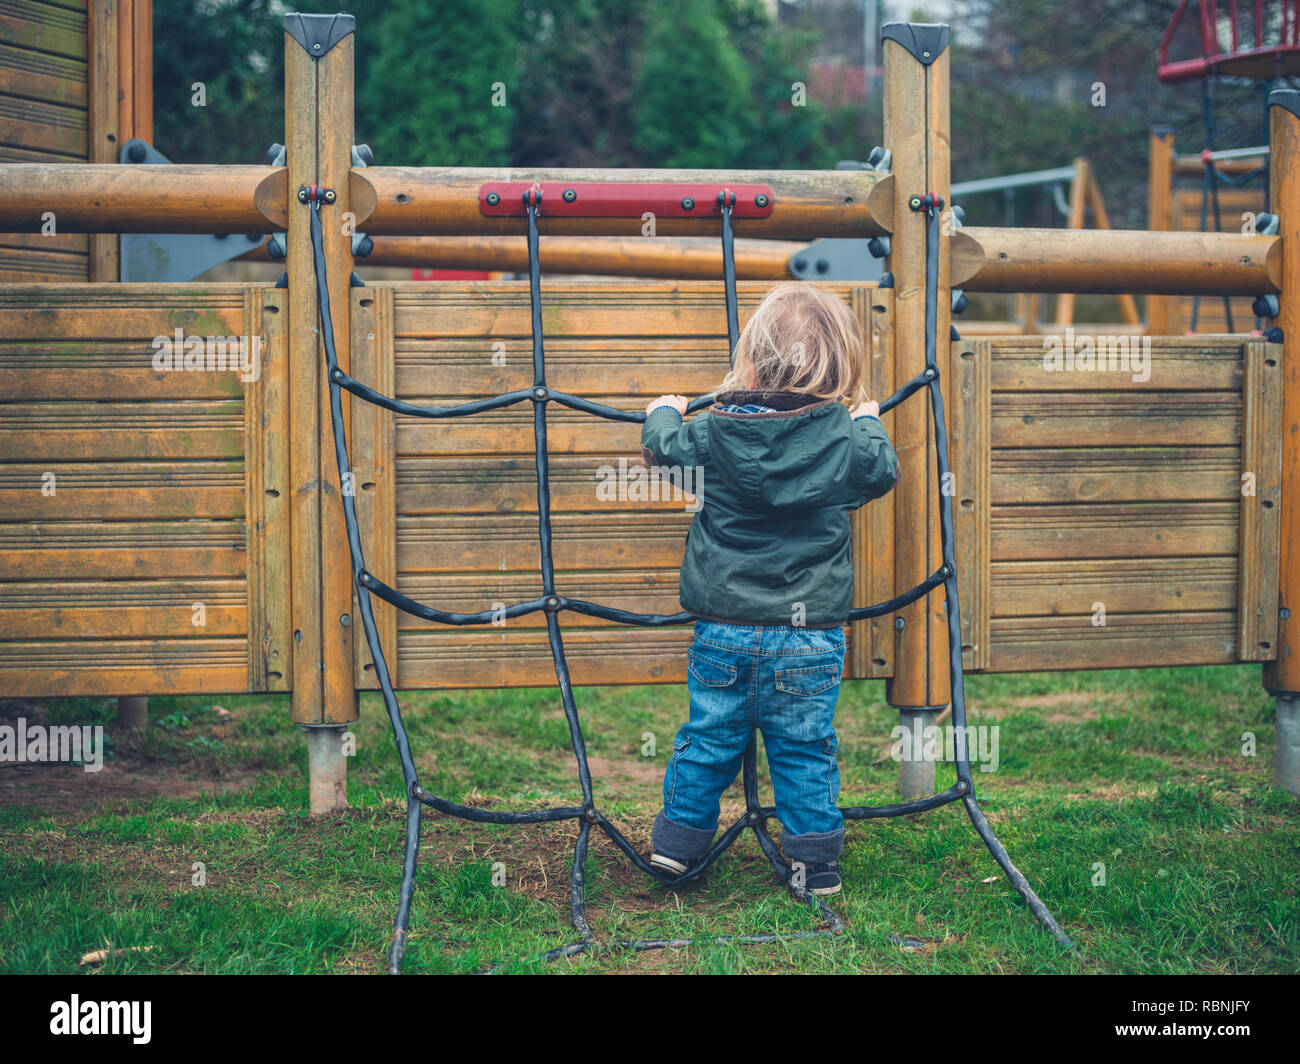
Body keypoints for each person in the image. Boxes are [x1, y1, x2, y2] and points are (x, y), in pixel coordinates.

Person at [638, 282, 901, 896]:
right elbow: (880, 467)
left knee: (707, 741)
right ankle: (814, 863)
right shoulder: (843, 438)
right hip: (808, 638)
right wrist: (866, 421)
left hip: (724, 629)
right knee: (805, 749)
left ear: (750, 363)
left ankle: (678, 849)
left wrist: (665, 411)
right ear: (840, 372)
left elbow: (663, 448)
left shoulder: (715, 432)